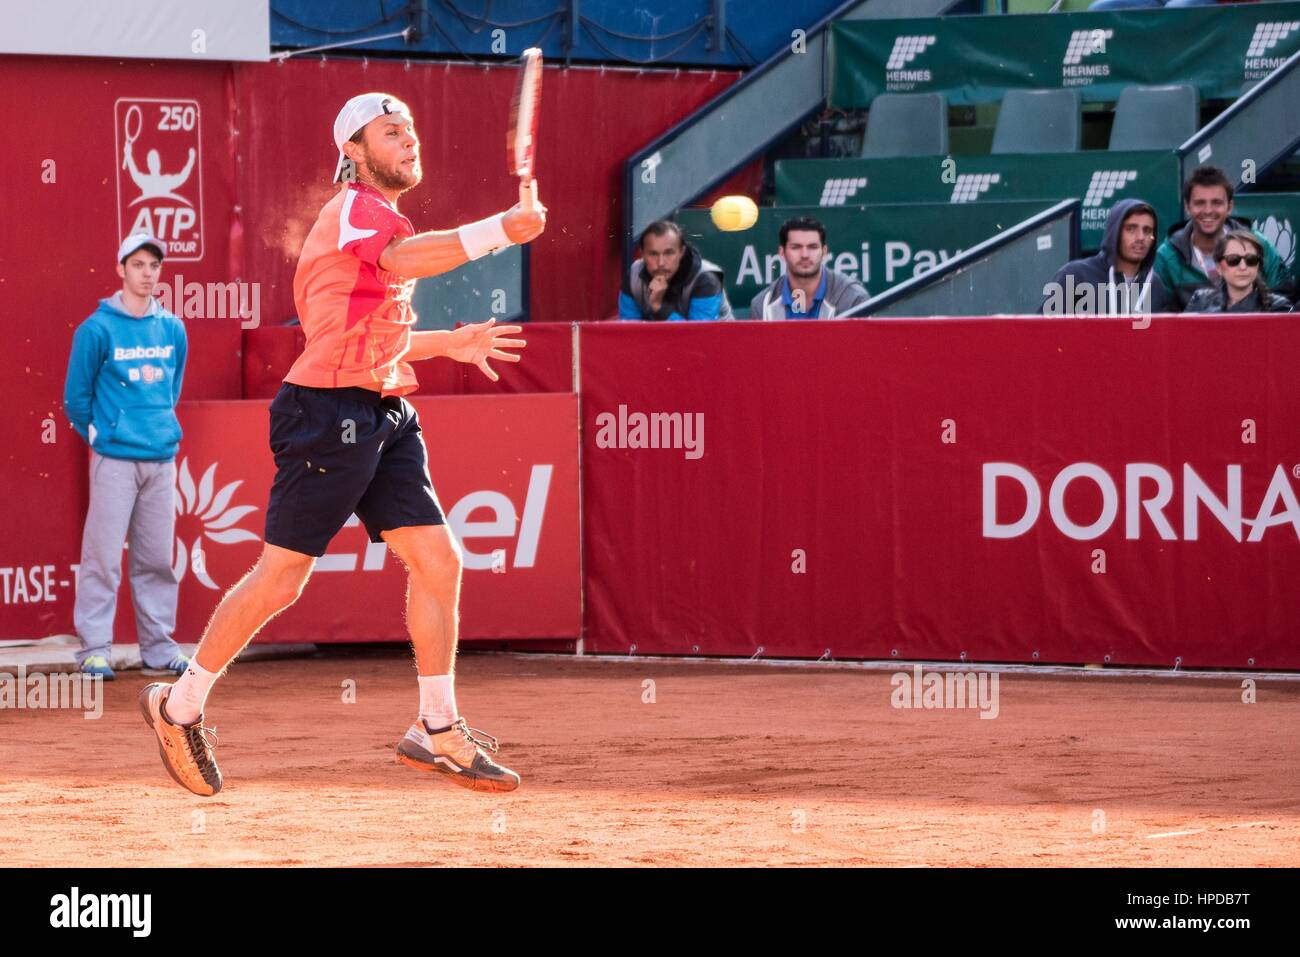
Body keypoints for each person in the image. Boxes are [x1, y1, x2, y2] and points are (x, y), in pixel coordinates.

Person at [138, 92, 546, 797]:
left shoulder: (382, 219)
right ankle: (180, 705)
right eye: (391, 131)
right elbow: (405, 259)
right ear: (354, 151)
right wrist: (499, 230)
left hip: (385, 408)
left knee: (439, 560)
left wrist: (450, 343)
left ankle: (436, 726)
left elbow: (374, 334)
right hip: (326, 413)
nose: (409, 139)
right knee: (281, 579)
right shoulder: (357, 208)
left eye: (411, 129)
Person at [63, 235, 190, 681]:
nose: (147, 273)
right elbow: (76, 400)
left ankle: (159, 649)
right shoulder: (95, 330)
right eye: (138, 264)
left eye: (153, 265)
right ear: (121, 269)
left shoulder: (172, 328)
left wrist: (153, 428)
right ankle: (94, 650)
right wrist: (103, 433)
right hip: (114, 459)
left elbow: (171, 391)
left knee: (156, 559)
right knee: (102, 558)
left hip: (161, 458)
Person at [1154, 165, 1289, 310]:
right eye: (1200, 203)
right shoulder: (1167, 257)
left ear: (1229, 207)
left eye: (1216, 202)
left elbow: (1284, 296)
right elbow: (1160, 314)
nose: (1208, 211)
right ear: (1187, 207)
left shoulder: (1258, 244)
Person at [1041, 198, 1170, 316]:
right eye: (1131, 229)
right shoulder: (1076, 276)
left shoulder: (1155, 285)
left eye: (1147, 231)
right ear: (1114, 232)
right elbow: (1042, 330)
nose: (1141, 237)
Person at [748, 216, 870, 320]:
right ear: (782, 253)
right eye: (796, 247)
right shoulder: (762, 304)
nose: (805, 255)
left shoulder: (853, 298)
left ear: (824, 251)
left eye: (812, 247)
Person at [619, 220, 733, 321]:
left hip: (719, 338)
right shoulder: (634, 276)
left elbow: (698, 335)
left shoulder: (707, 279)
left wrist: (658, 306)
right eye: (653, 254)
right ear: (642, 254)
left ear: (681, 252)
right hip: (658, 338)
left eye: (669, 253)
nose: (661, 263)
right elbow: (629, 330)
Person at [1183, 229, 1293, 313]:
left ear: (1258, 266)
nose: (1243, 267)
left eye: (1251, 260)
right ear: (1219, 267)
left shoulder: (1278, 307)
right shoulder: (1200, 301)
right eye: (1233, 260)